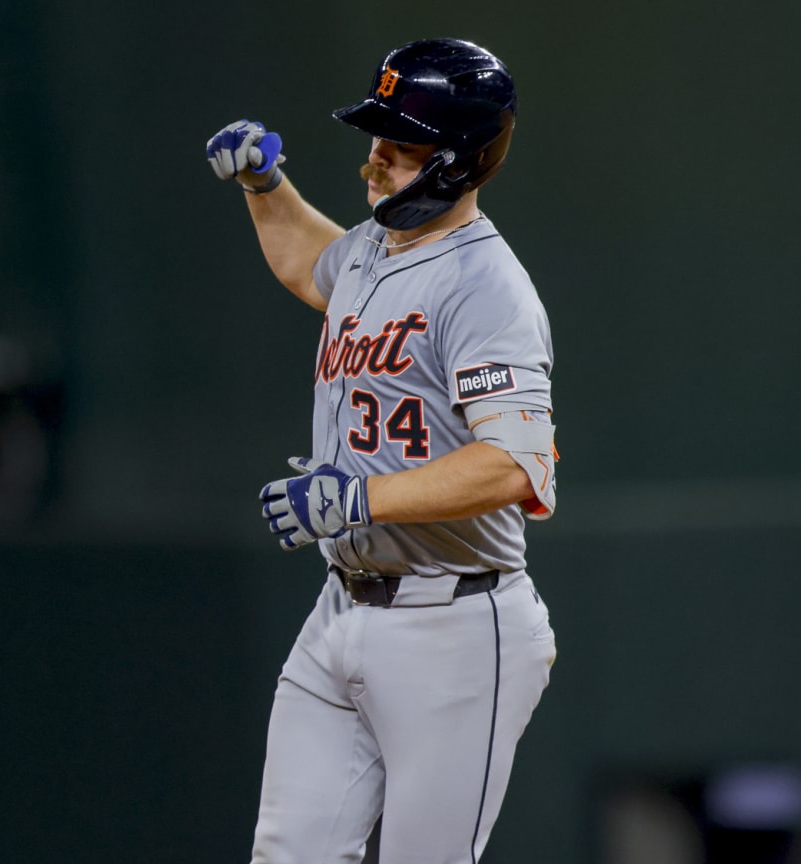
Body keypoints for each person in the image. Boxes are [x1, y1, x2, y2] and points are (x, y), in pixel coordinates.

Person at [205, 37, 559, 863]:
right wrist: (266, 186)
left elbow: (515, 463)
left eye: (397, 153)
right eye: (374, 144)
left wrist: (360, 498)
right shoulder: (375, 247)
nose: (372, 166)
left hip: (456, 624)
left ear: (455, 163)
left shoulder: (487, 287)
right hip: (343, 608)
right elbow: (310, 265)